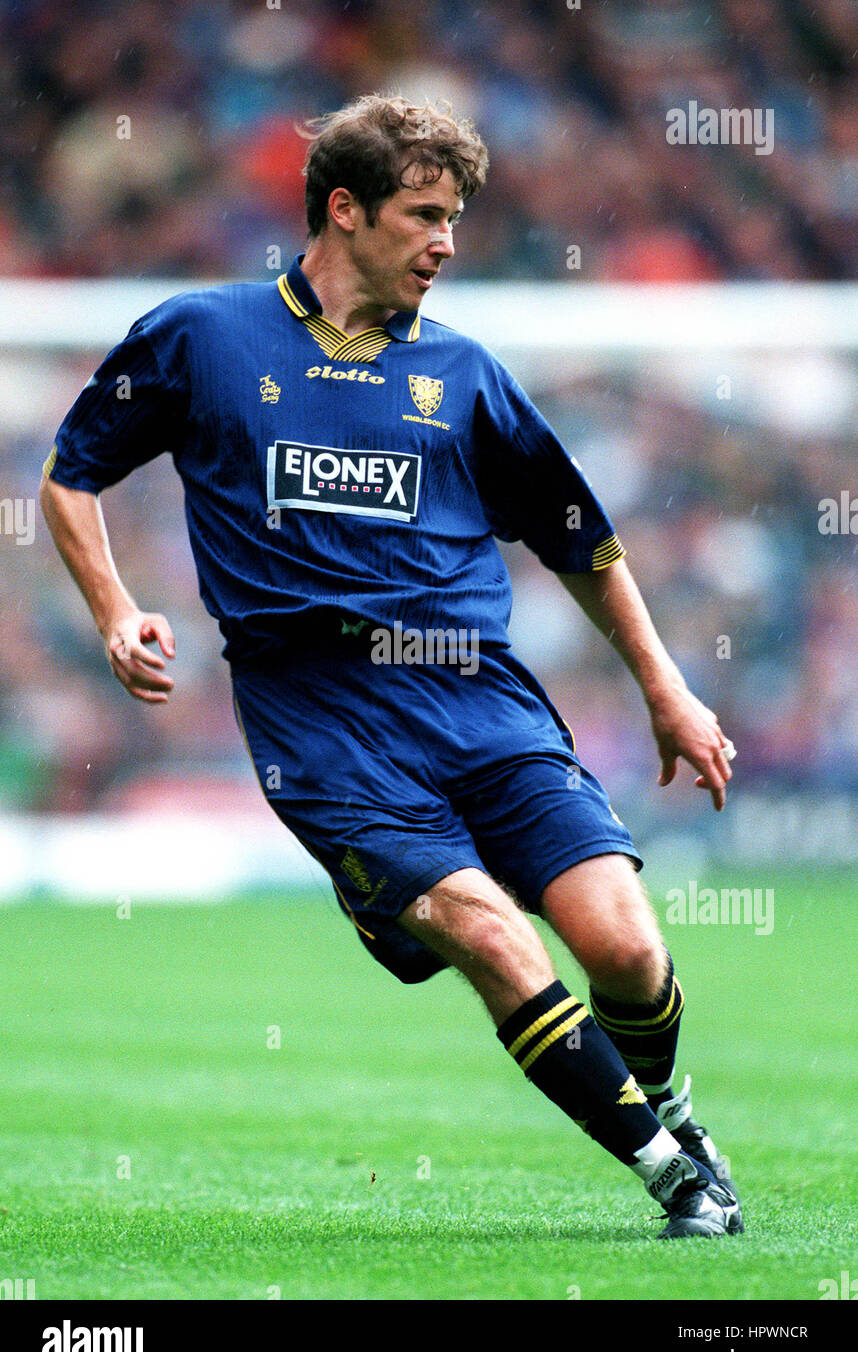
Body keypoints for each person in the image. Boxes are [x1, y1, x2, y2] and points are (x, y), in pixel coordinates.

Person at [40, 93, 743, 1239]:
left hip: (477, 693)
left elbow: (580, 537)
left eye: (455, 216)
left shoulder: (464, 373)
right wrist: (117, 611)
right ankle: (672, 1176)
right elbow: (71, 477)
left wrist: (665, 688)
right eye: (425, 214)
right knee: (484, 930)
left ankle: (667, 1106)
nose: (447, 241)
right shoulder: (200, 337)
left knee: (620, 942)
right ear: (343, 209)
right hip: (319, 719)